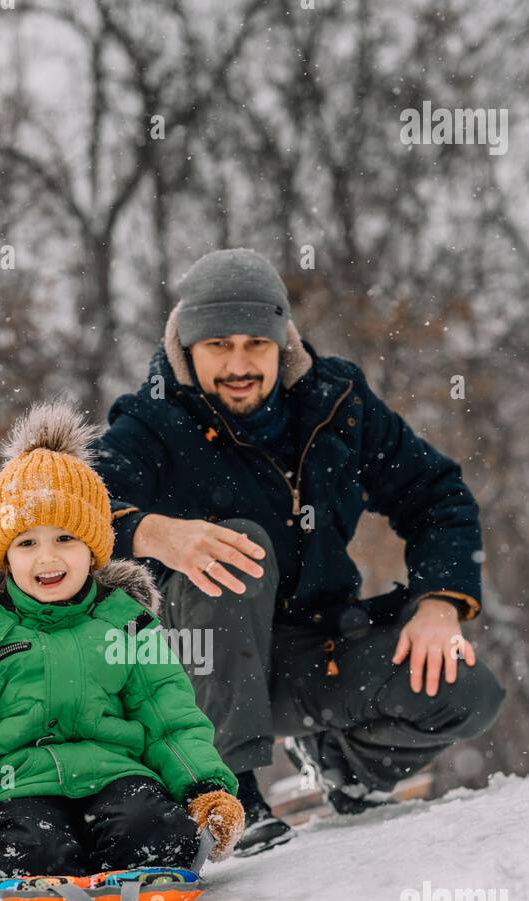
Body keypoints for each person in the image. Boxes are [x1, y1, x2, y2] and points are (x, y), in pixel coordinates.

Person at [93, 247, 506, 855]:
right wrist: (154, 532)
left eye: (255, 344)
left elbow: (437, 494)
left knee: (464, 688)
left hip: (307, 655)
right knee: (241, 545)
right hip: (193, 672)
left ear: (282, 340)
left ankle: (347, 765)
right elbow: (71, 513)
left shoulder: (336, 404)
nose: (240, 364)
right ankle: (224, 784)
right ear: (186, 346)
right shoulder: (151, 424)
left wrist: (440, 603)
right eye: (219, 346)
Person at [0, 402, 244, 901]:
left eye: (66, 538)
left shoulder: (125, 621)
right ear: (4, 556)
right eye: (26, 543)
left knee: (152, 834)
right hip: (17, 787)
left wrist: (203, 788)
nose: (47, 558)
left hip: (119, 778)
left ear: (95, 547)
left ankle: (135, 860)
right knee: (33, 851)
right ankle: (12, 870)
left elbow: (168, 719)